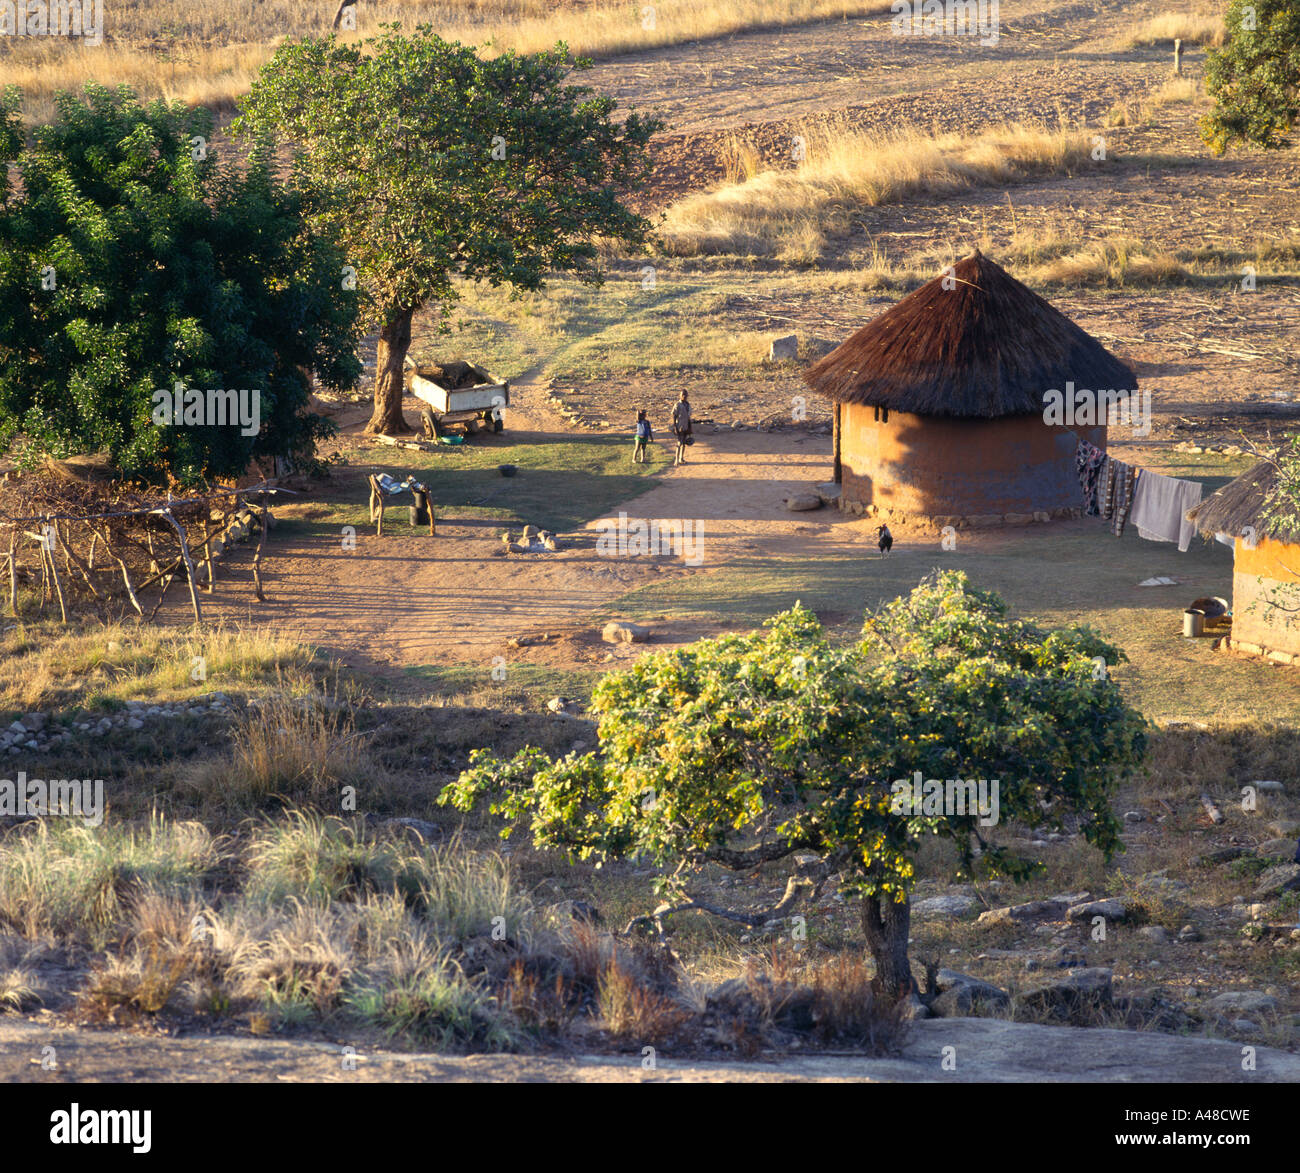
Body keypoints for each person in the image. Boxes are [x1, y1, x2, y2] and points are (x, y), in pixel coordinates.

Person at [671, 390, 692, 466]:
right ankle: (676, 459)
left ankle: (681, 458)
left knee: (684, 443)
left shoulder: (688, 405)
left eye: (686, 395)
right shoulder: (677, 404)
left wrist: (690, 427)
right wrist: (675, 427)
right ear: (680, 395)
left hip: (686, 426)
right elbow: (674, 416)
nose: (684, 396)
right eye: (683, 395)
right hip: (679, 426)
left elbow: (689, 417)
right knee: (679, 443)